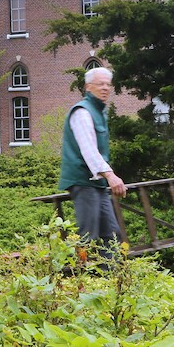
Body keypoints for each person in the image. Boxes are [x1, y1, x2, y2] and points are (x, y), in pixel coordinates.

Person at [58, 66, 127, 248]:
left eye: (108, 84)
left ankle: (108, 275)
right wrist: (111, 176)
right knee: (89, 236)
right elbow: (88, 150)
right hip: (82, 181)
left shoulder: (98, 111)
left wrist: (107, 178)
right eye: (100, 84)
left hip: (97, 183)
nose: (105, 88)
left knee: (111, 236)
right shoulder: (82, 112)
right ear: (88, 87)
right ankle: (81, 274)